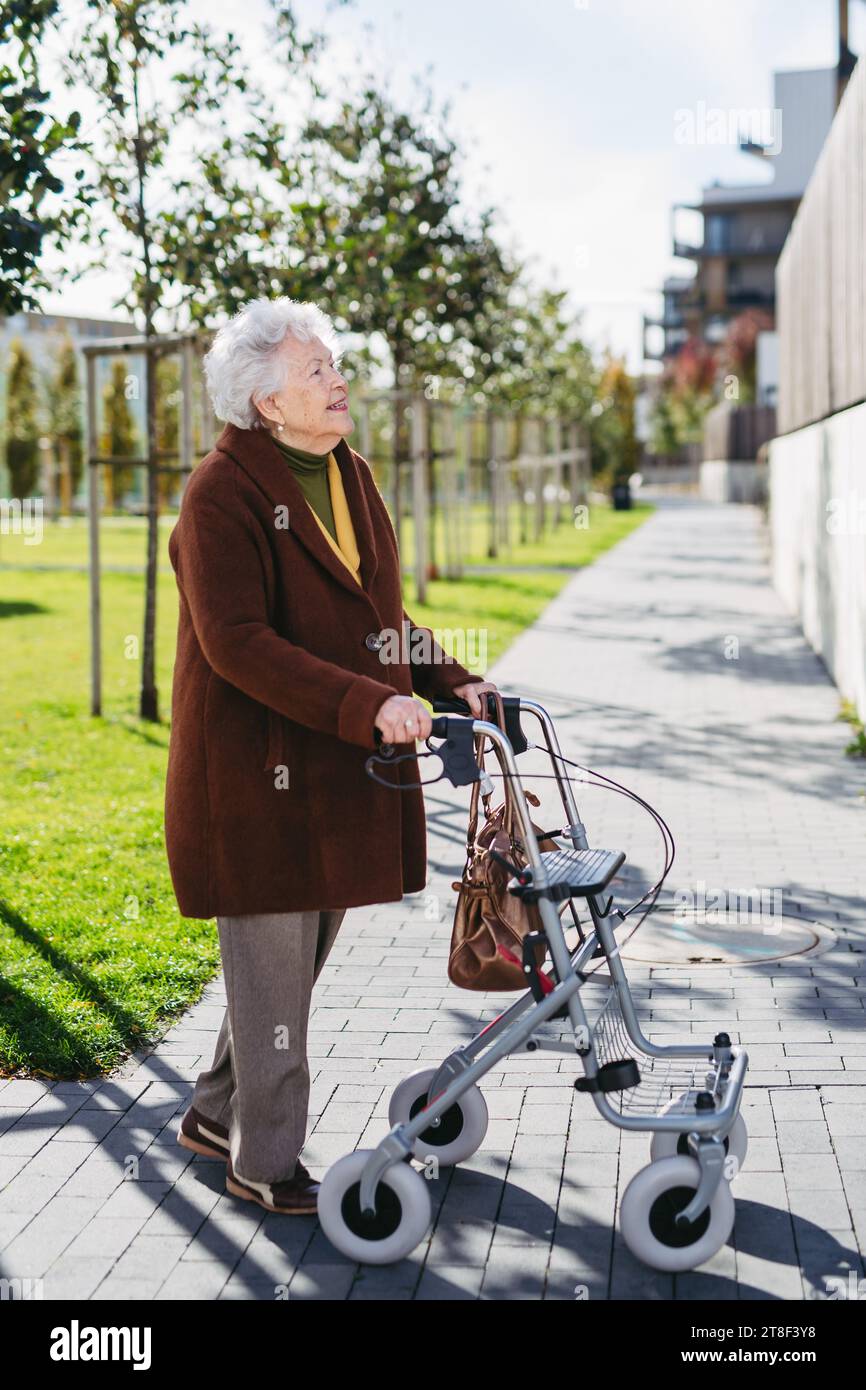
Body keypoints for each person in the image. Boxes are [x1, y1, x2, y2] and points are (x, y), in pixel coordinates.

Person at [165, 297, 496, 1213]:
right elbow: (237, 643)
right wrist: (369, 703)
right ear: (268, 402)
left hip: (334, 773)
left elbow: (378, 616)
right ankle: (263, 1163)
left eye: (334, 363)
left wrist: (451, 680)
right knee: (277, 987)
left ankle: (211, 1114)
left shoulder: (349, 473)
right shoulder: (219, 495)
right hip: (255, 782)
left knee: (284, 976)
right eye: (317, 369)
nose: (339, 379)